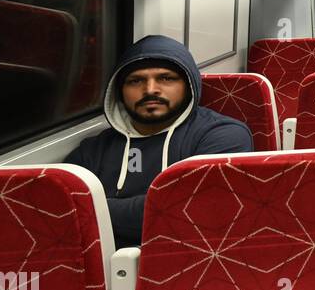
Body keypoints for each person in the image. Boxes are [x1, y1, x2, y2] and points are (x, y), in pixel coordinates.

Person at [64, 35, 252, 248]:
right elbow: (62, 210)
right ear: (119, 91)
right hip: (100, 259)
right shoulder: (93, 149)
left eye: (166, 78)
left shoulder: (223, 135)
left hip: (184, 256)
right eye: (136, 81)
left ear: (188, 85)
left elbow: (189, 211)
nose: (150, 89)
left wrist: (92, 209)